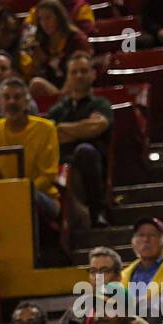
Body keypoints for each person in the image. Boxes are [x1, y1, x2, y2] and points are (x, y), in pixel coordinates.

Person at [0, 76, 60, 229]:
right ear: (0, 102)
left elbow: (48, 175)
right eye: (6, 97)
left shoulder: (46, 128)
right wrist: (11, 194)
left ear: (26, 101)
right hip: (5, 197)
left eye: (17, 97)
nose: (12, 102)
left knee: (30, 199)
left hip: (41, 196)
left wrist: (20, 192)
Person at [47, 52, 112, 228]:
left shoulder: (101, 104)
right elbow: (49, 134)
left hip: (91, 160)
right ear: (67, 77)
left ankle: (97, 211)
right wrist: (82, 127)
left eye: (83, 71)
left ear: (93, 74)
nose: (79, 75)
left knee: (85, 150)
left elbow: (97, 127)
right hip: (61, 161)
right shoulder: (58, 109)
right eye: (74, 72)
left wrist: (62, 128)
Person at [25, 0, 91, 99]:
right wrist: (38, 63)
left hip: (75, 90)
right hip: (55, 92)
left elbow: (80, 70)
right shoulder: (41, 43)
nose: (44, 23)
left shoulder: (76, 40)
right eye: (40, 19)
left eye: (48, 17)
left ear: (59, 17)